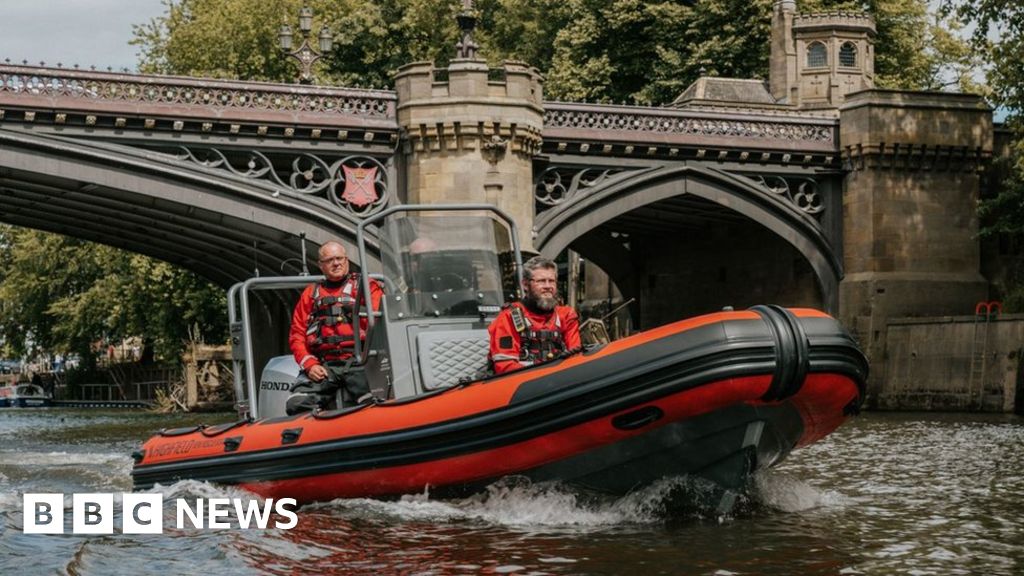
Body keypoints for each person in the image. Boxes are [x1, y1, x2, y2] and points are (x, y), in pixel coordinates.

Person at [287, 241, 384, 414]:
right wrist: (310, 365)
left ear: (346, 260)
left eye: (339, 258)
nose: (336, 263)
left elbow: (380, 322)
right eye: (330, 260)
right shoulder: (311, 294)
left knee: (374, 403)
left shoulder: (366, 286)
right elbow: (297, 335)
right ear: (321, 265)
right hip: (325, 365)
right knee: (296, 403)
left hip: (360, 361)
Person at [488, 256, 581, 375]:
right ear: (525, 285)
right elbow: (505, 366)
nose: (548, 286)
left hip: (559, 381)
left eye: (551, 281)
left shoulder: (566, 315)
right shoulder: (509, 317)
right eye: (541, 281)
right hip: (524, 386)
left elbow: (576, 357)